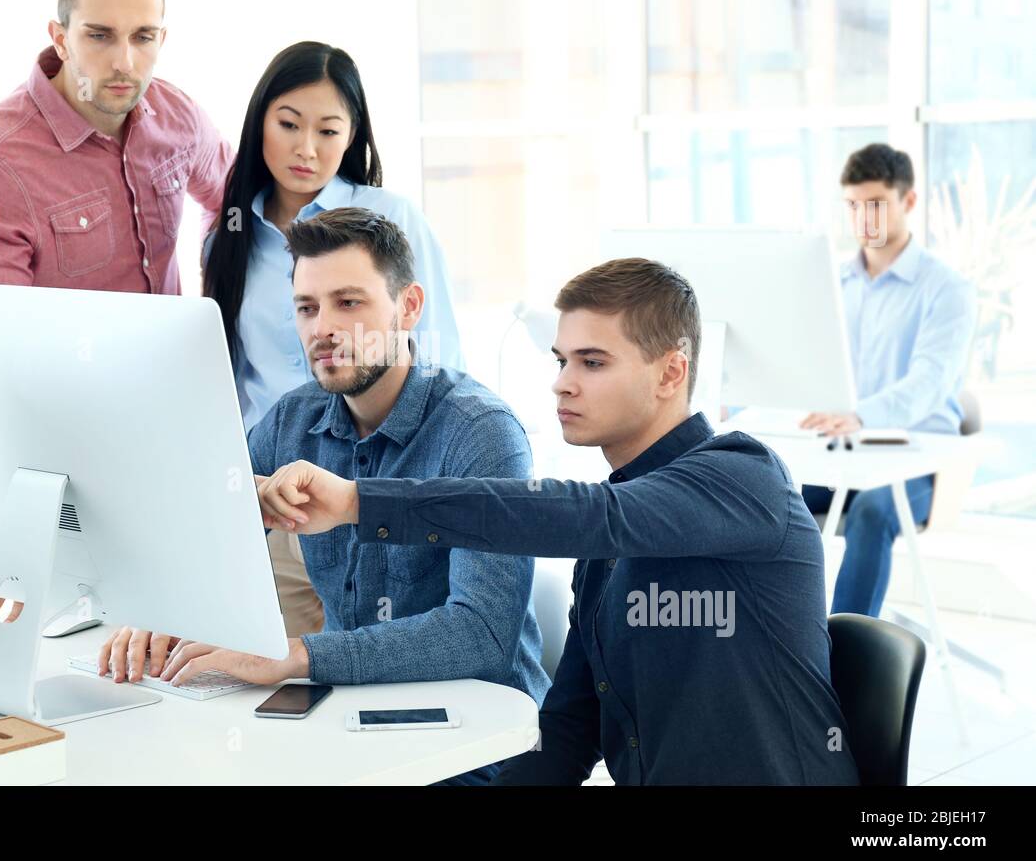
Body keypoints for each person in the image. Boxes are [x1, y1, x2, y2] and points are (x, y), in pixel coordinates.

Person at [254, 258, 862, 785]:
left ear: (671, 373)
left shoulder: (743, 475)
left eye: (592, 363)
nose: (562, 384)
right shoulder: (605, 549)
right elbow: (571, 726)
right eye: (562, 359)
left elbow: (592, 515)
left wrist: (361, 501)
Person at [100, 207, 548, 786]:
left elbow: (480, 636)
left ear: (408, 307)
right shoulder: (293, 420)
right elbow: (201, 547)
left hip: (474, 746)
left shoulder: (480, 433)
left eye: (349, 302)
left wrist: (297, 656)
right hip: (343, 724)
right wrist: (158, 613)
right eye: (307, 308)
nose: (322, 328)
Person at [202, 41, 464, 636]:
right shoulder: (230, 238)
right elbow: (232, 381)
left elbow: (442, 353)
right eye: (289, 125)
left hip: (377, 484)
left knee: (385, 671)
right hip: (279, 497)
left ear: (353, 136)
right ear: (259, 123)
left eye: (329, 130)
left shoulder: (390, 219)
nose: (306, 149)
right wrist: (246, 487)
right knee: (291, 688)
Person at [0, 0, 232, 295]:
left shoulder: (179, 117)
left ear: (162, 39)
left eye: (143, 37)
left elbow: (236, 200)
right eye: (100, 35)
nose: (124, 63)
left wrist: (219, 300)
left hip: (180, 350)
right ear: (61, 40)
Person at [800, 144, 976, 617]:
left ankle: (847, 662)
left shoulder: (947, 289)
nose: (863, 219)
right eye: (853, 206)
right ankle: (778, 638)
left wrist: (859, 417)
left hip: (918, 457)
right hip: (844, 454)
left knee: (873, 512)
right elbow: (808, 363)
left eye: (875, 204)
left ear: (909, 202)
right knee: (767, 493)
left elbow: (931, 381)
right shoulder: (833, 283)